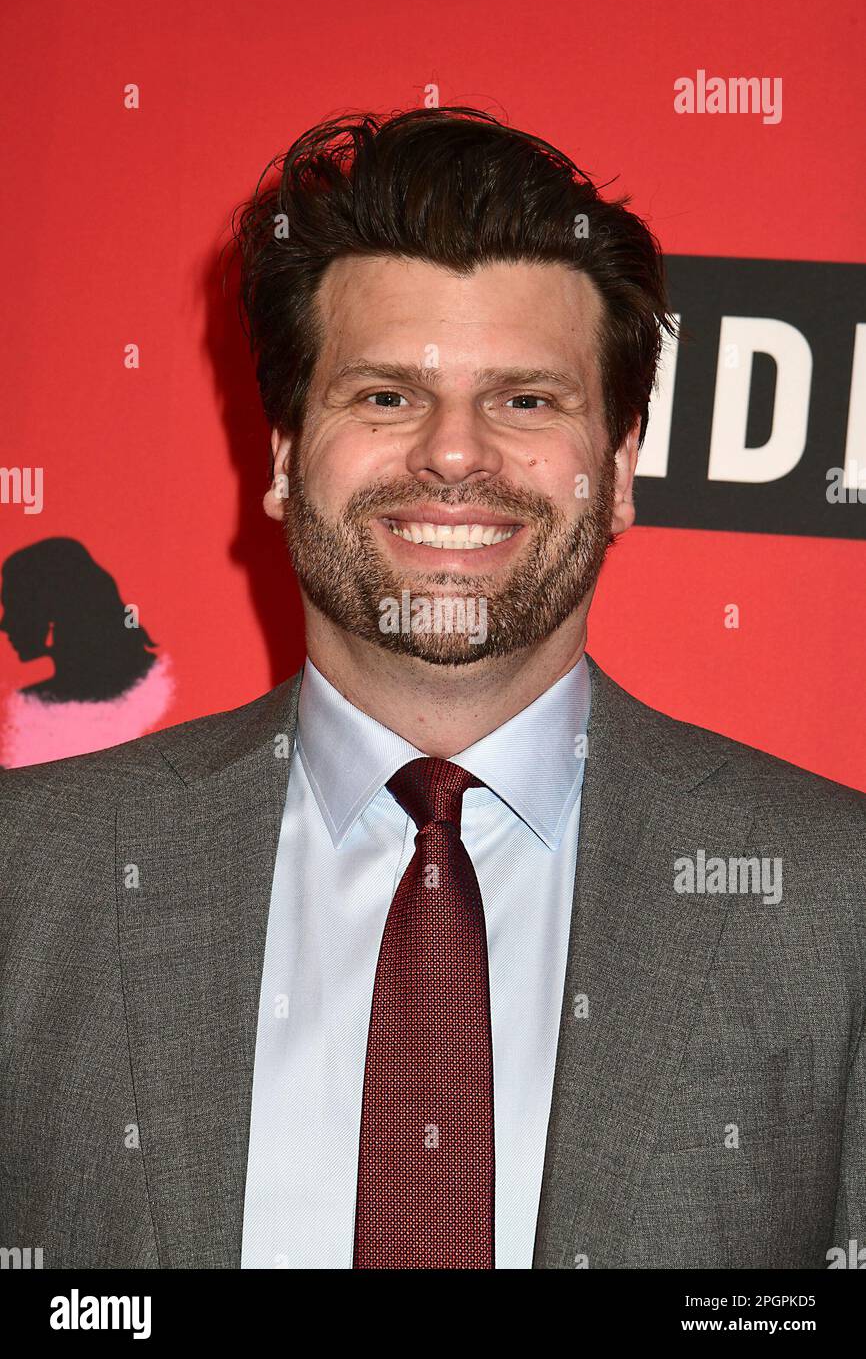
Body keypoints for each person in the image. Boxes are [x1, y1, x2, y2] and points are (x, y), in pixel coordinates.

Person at [1, 107, 863, 1271]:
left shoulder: (829, 903)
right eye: (384, 397)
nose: (454, 453)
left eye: (525, 400)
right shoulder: (32, 878)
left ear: (614, 475)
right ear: (285, 458)